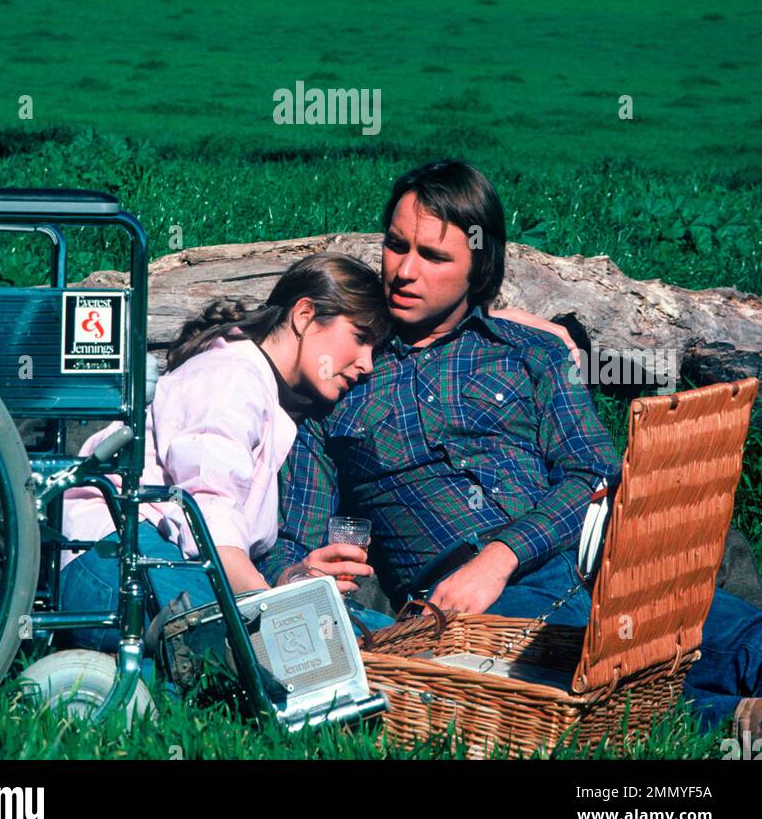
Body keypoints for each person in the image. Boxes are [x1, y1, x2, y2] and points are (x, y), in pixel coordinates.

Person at [261, 159, 762, 737]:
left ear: (479, 269)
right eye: (396, 247)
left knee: (744, 640)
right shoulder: (338, 379)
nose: (403, 271)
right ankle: (734, 724)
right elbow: (291, 542)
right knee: (580, 695)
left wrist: (496, 559)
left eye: (434, 257)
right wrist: (296, 573)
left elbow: (594, 473)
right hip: (473, 616)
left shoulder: (531, 354)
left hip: (595, 570)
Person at [59, 252, 393, 647]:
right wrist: (278, 611)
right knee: (299, 645)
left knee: (361, 631)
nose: (367, 364)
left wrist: (294, 581)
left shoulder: (269, 396)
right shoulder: (233, 377)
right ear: (305, 315)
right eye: (360, 338)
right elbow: (210, 520)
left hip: (158, 564)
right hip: (114, 557)